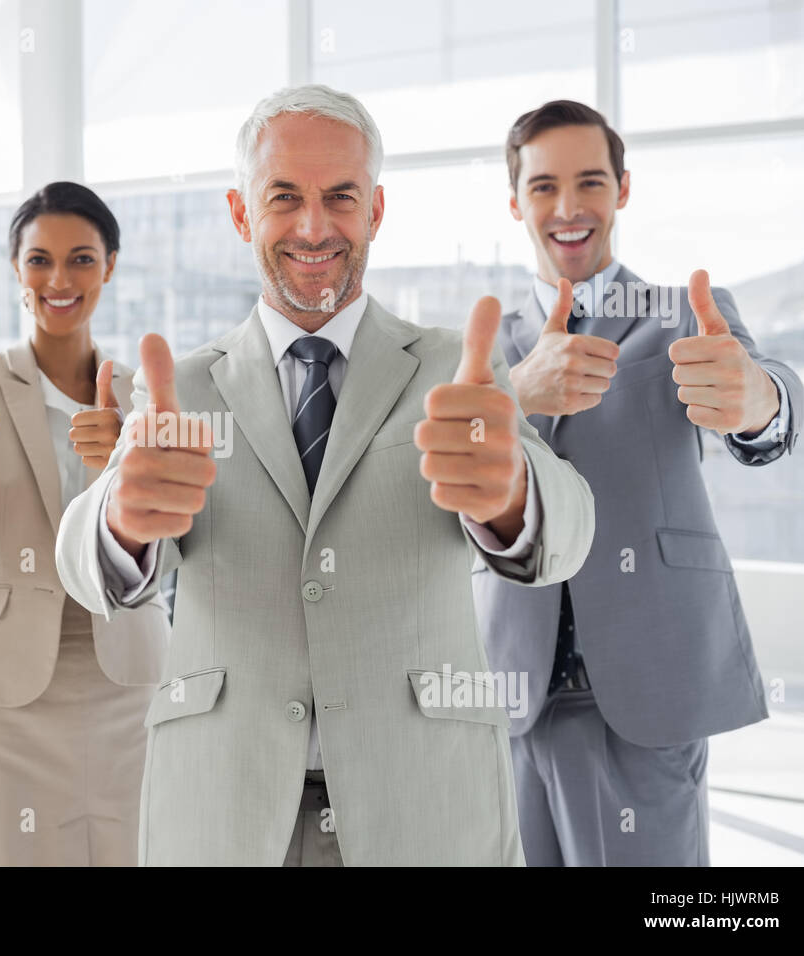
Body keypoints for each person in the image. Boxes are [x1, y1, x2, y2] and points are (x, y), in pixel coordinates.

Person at [54, 85, 596, 866]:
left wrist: (514, 494)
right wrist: (120, 521)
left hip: (423, 807)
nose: (314, 227)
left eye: (341, 197)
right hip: (226, 812)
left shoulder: (453, 369)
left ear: (375, 210)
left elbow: (569, 531)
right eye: (284, 198)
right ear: (242, 215)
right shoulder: (186, 386)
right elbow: (83, 565)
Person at [476, 100, 804, 866]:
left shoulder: (684, 316)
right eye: (543, 187)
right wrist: (515, 392)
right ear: (516, 202)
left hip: (644, 685)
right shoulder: (485, 349)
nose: (567, 208)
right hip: (510, 688)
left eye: (590, 181)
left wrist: (759, 400)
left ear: (623, 189)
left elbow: (767, 402)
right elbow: (430, 479)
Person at [0, 182, 170, 866]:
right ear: (15, 269)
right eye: (38, 260)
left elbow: (175, 554)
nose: (59, 279)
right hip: (0, 699)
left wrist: (123, 472)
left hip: (126, 689)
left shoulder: (144, 395)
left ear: (110, 265)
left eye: (81, 259)